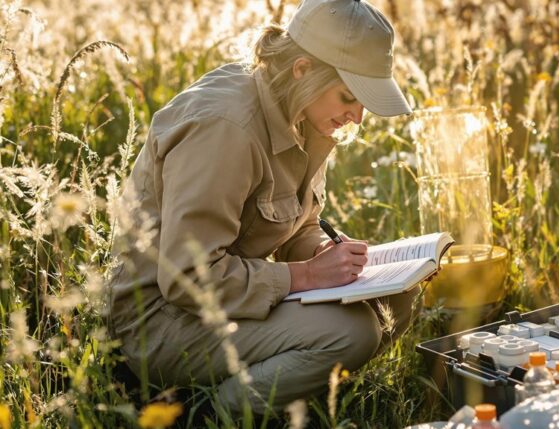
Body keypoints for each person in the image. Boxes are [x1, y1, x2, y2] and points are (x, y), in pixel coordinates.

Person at [107, 0, 415, 417]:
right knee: (354, 332)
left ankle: (290, 393)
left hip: (220, 301)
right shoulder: (225, 128)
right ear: (302, 69)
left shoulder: (301, 111)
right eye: (349, 96)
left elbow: (298, 223)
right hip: (163, 320)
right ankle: (209, 415)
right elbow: (187, 278)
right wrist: (305, 276)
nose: (358, 117)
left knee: (395, 300)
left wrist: (325, 255)